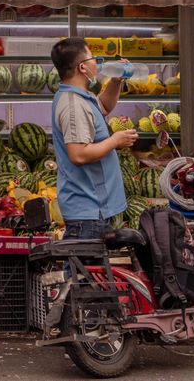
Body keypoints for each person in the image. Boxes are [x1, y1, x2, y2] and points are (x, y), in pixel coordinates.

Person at [50, 37, 138, 240]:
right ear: (82, 67)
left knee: (85, 269)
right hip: (87, 210)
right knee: (83, 269)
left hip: (94, 209)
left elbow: (104, 107)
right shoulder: (73, 105)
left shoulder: (81, 97)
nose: (97, 64)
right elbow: (78, 154)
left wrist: (116, 80)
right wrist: (115, 141)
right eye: (93, 59)